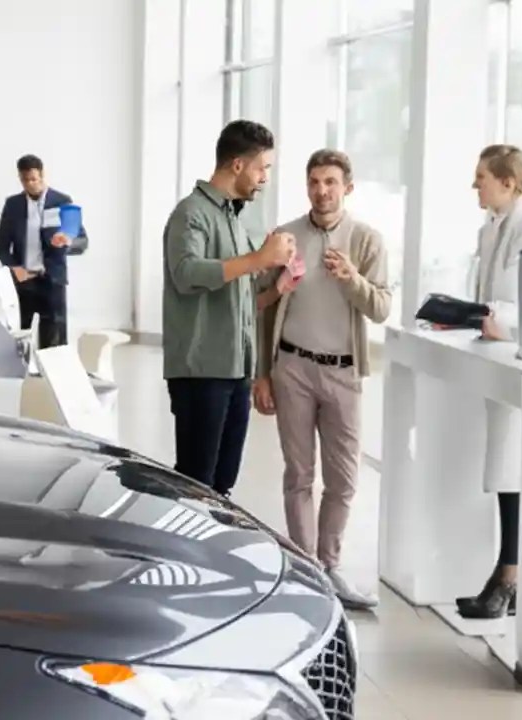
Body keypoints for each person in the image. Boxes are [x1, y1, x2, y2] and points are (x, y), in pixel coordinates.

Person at [253, 149, 391, 610]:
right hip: (291, 367)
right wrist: (263, 373)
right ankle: (305, 567)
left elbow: (382, 307)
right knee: (298, 473)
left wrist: (351, 278)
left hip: (343, 371)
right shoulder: (285, 237)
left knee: (344, 479)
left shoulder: (367, 240)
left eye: (331, 182)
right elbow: (264, 305)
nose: (321, 190)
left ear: (347, 187)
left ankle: (330, 566)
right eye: (314, 181)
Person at [456, 144, 522, 620]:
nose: (475, 184)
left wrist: (495, 318)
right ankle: (506, 575)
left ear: (508, 182)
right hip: (500, 360)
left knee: (513, 474)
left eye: (481, 176)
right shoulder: (492, 229)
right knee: (504, 473)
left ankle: (509, 579)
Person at [162, 120, 294, 498]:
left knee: (222, 486)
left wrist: (275, 282)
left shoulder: (234, 219)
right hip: (202, 372)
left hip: (236, 372)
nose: (264, 178)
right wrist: (257, 258)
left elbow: (239, 297)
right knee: (195, 485)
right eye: (261, 167)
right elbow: (186, 273)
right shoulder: (191, 213)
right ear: (237, 165)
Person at [0, 155, 89, 348]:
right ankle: (23, 374)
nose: (30, 184)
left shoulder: (62, 201)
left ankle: (52, 374)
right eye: (25, 180)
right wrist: (14, 269)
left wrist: (67, 241)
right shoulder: (13, 205)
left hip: (52, 279)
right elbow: (1, 246)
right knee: (22, 334)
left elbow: (82, 240)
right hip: (24, 279)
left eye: (34, 179)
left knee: (54, 337)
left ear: (43, 175)